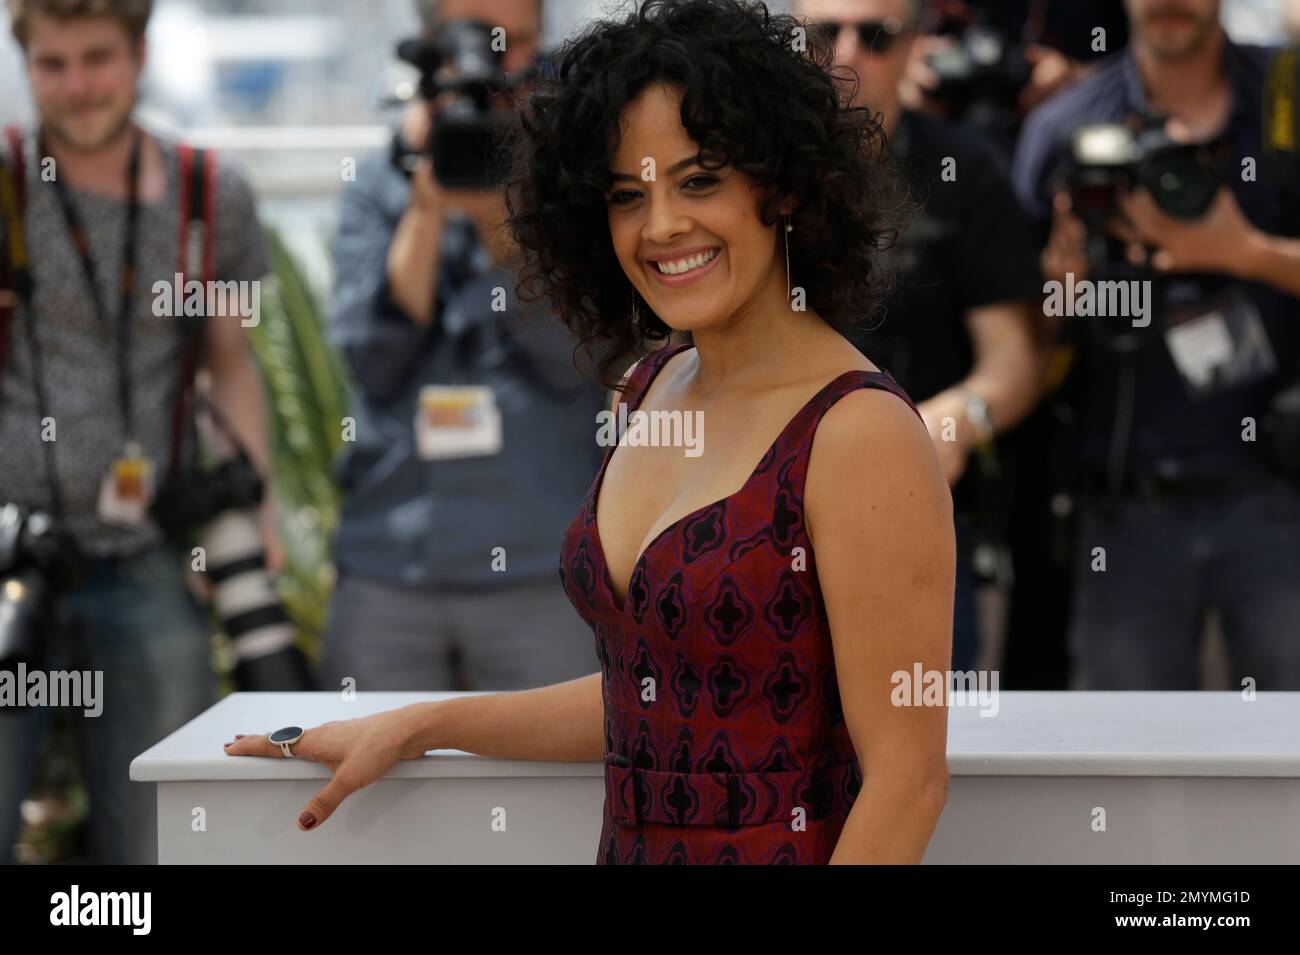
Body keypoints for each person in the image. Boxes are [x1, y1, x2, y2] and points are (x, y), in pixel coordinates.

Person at [226, 0, 952, 865]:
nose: (661, 227)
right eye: (626, 195)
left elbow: (907, 783)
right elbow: (647, 700)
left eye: (699, 179)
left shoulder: (859, 431)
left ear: (785, 184)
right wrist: (420, 724)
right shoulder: (645, 388)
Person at [0, 0, 272, 863]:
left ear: (141, 52)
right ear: (25, 62)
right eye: (53, 64)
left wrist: (254, 513)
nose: (77, 86)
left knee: (161, 842)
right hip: (7, 557)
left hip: (152, 552)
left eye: (97, 57)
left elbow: (231, 361)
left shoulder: (208, 191)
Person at [320, 0, 606, 693]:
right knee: (362, 798)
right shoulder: (379, 182)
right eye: (475, 43)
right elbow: (370, 358)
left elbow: (580, 358)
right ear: (426, 50)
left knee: (549, 800)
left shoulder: (578, 184)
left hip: (542, 568)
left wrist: (504, 229)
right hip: (392, 569)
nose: (495, 65)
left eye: (517, 44)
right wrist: (426, 201)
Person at [1013, 0, 1300, 689]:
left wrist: (1244, 252)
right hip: (1129, 510)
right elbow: (1018, 334)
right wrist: (1062, 290)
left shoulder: (1288, 98)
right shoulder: (1068, 125)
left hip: (1283, 497)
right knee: (1127, 769)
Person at [795, 0, 1043, 674]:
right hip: (760, 526)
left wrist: (963, 417)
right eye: (822, 33)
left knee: (924, 751)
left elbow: (1016, 356)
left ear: (913, 47)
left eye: (875, 35)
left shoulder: (967, 174)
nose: (846, 55)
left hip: (910, 523)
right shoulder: (742, 171)